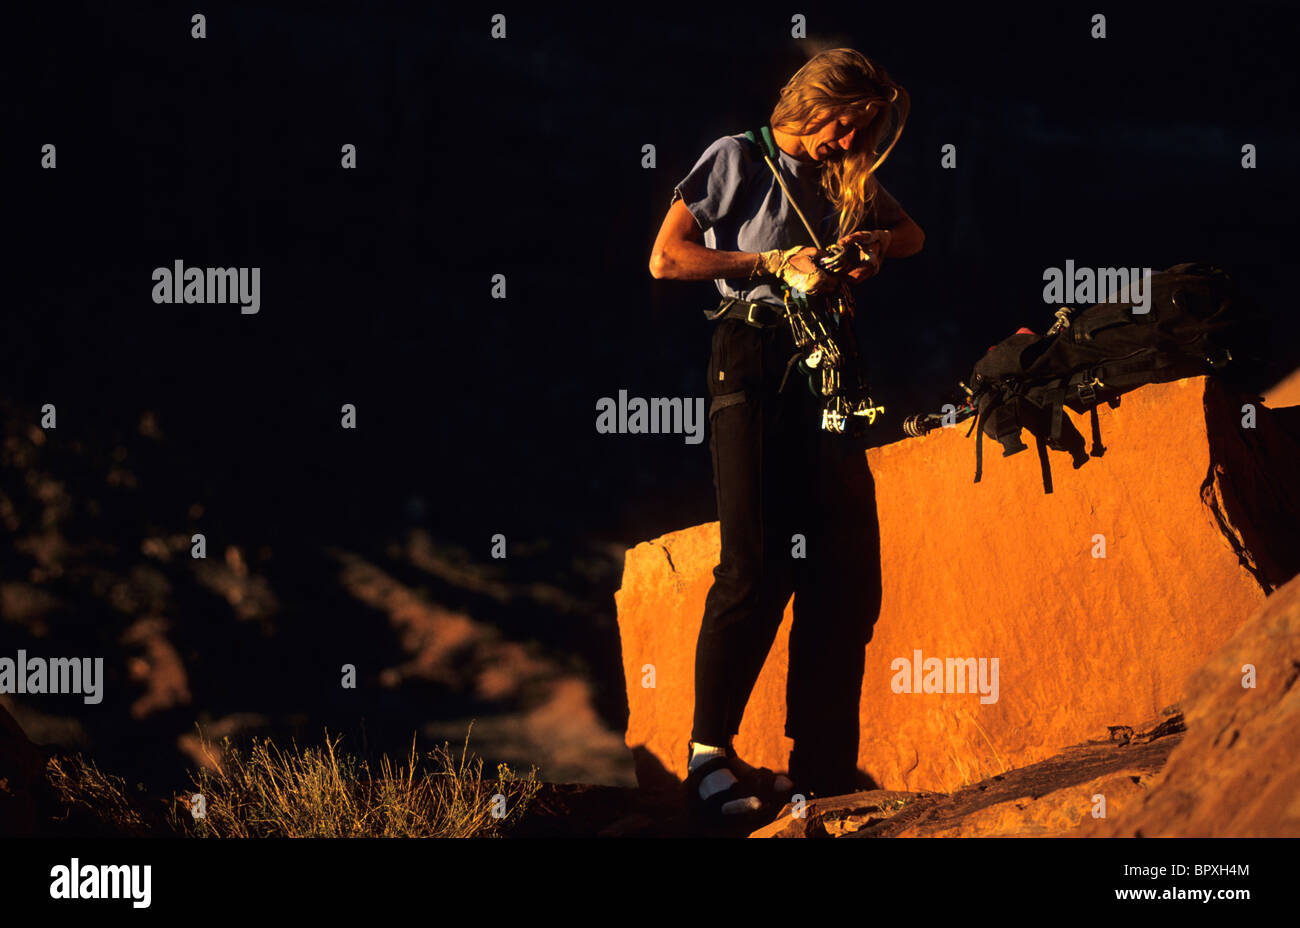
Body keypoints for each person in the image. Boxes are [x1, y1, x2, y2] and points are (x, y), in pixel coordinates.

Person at [648, 48, 925, 821]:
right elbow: (666, 258)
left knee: (842, 572)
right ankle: (708, 759)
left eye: (864, 129)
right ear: (813, 101)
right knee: (754, 565)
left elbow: (913, 236)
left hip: (829, 371)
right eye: (846, 122)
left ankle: (822, 768)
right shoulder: (736, 157)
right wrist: (771, 260)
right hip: (753, 359)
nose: (851, 140)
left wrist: (871, 247)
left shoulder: (848, 174)